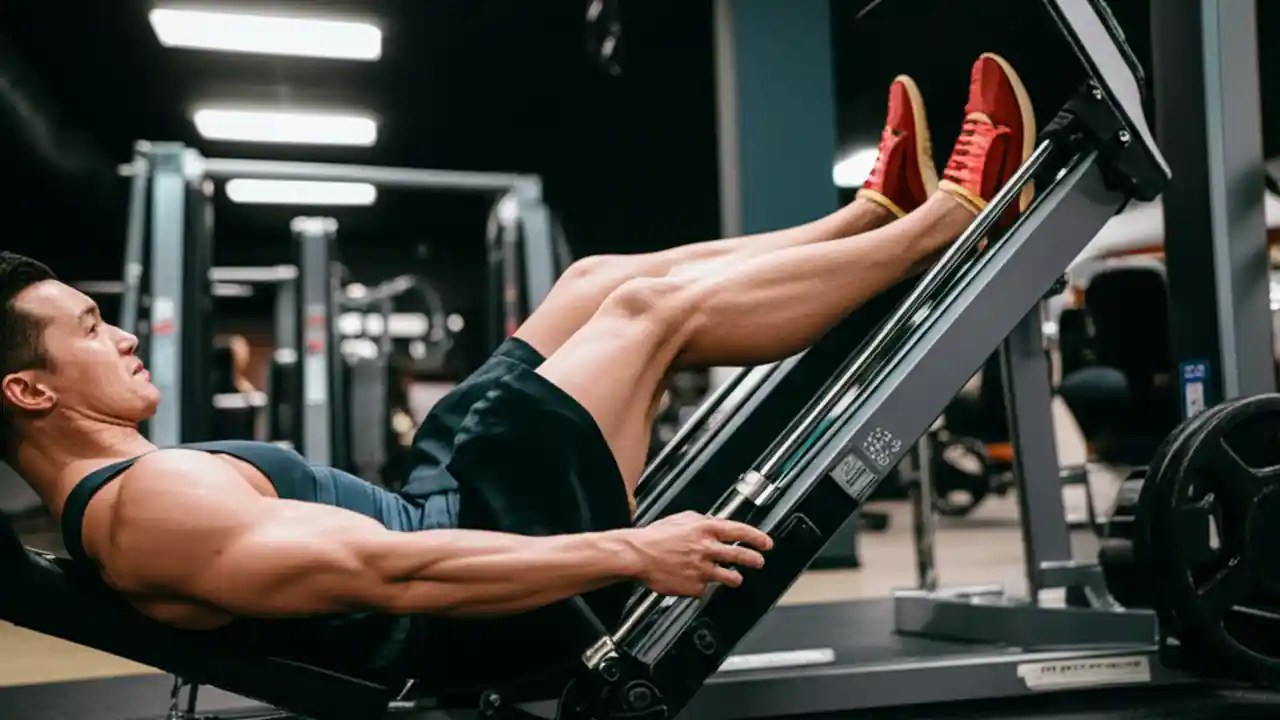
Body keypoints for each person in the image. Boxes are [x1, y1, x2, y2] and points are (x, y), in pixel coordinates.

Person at [0, 54, 1034, 688]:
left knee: (590, 279)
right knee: (644, 311)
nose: (126, 336)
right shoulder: (150, 511)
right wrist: (629, 553)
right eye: (91, 330)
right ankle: (955, 223)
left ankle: (863, 218)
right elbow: (391, 576)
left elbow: (389, 551)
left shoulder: (134, 494)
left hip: (448, 507)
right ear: (29, 391)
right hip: (491, 603)